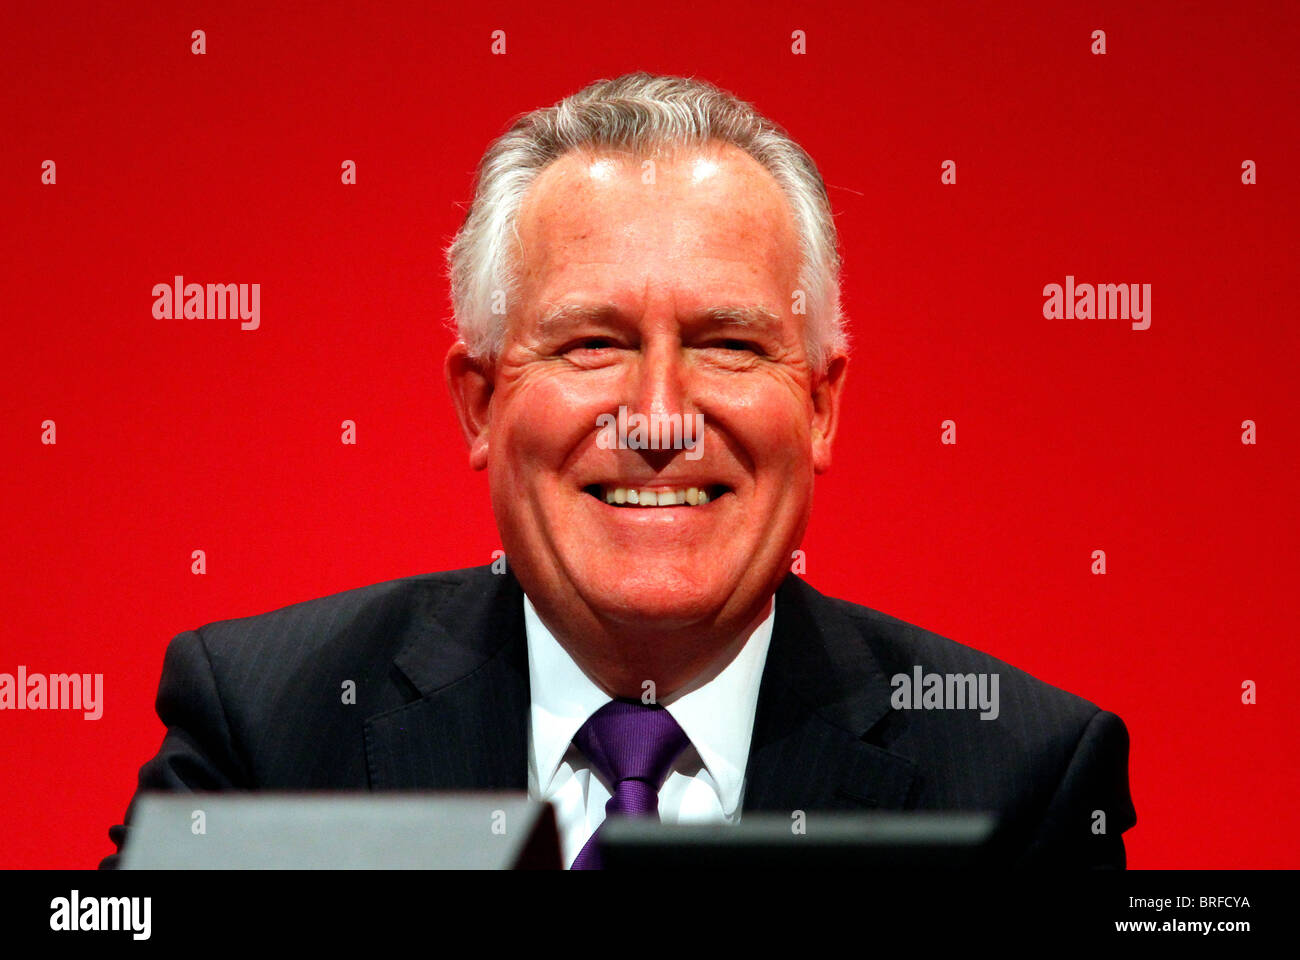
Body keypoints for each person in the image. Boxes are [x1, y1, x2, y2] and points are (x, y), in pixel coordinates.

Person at [101, 72, 1135, 870]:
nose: (658, 421)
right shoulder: (270, 734)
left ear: (819, 405)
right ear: (480, 402)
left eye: (727, 343)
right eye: (590, 343)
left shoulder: (1018, 781)